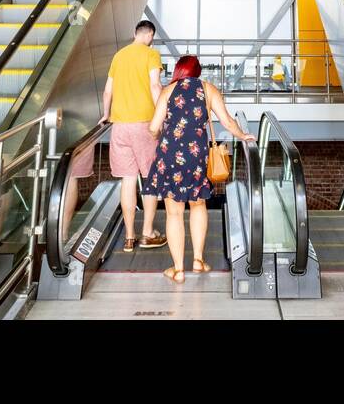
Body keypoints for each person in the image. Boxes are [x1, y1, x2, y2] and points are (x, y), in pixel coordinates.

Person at [146, 55, 254, 283]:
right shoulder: (208, 89)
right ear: (198, 71)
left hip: (170, 154)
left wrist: (160, 134)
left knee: (174, 212)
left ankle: (177, 270)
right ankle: (197, 260)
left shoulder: (168, 91)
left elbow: (154, 127)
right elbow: (226, 120)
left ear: (178, 71)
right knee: (198, 204)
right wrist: (243, 136)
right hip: (196, 155)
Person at [102, 20, 167, 251]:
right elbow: (155, 86)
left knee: (128, 180)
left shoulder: (119, 56)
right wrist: (162, 114)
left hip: (119, 125)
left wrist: (105, 115)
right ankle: (147, 233)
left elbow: (108, 90)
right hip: (144, 124)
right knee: (150, 178)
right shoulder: (151, 54)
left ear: (134, 33)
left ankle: (129, 237)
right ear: (150, 35)